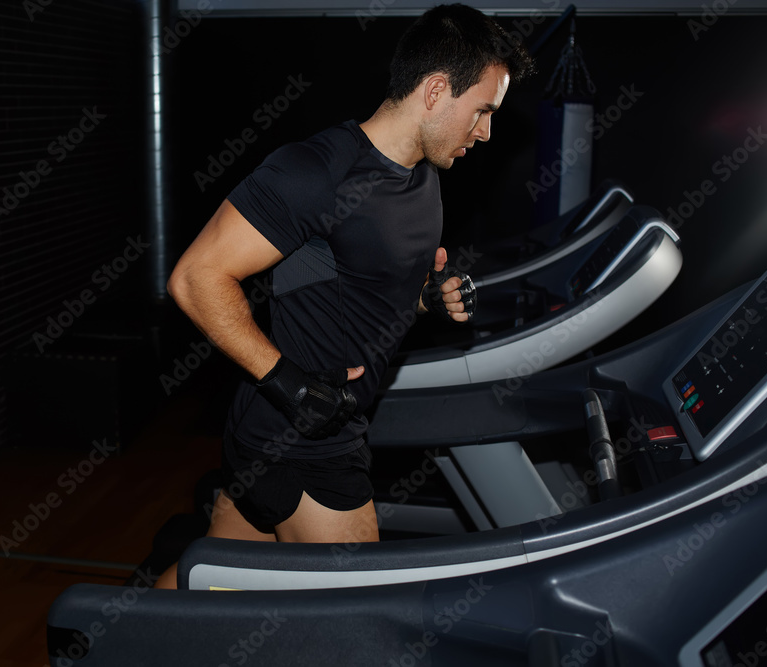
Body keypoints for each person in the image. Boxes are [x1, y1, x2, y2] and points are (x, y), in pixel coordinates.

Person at [155, 3, 532, 589]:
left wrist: (425, 300)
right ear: (436, 90)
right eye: (482, 111)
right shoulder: (316, 171)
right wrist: (287, 382)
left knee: (212, 584)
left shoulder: (424, 178)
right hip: (304, 441)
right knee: (356, 619)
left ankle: (123, 644)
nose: (485, 132)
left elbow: (363, 293)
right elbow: (196, 277)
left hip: (287, 429)